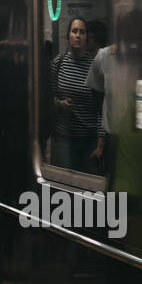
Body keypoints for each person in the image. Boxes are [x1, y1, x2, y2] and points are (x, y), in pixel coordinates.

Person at [49, 17, 101, 173]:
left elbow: (101, 107)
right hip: (63, 138)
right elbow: (47, 98)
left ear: (87, 38)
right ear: (68, 36)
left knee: (87, 191)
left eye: (82, 32)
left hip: (88, 140)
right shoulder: (58, 63)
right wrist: (59, 104)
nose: (78, 35)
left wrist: (100, 143)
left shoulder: (94, 65)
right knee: (63, 190)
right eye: (74, 31)